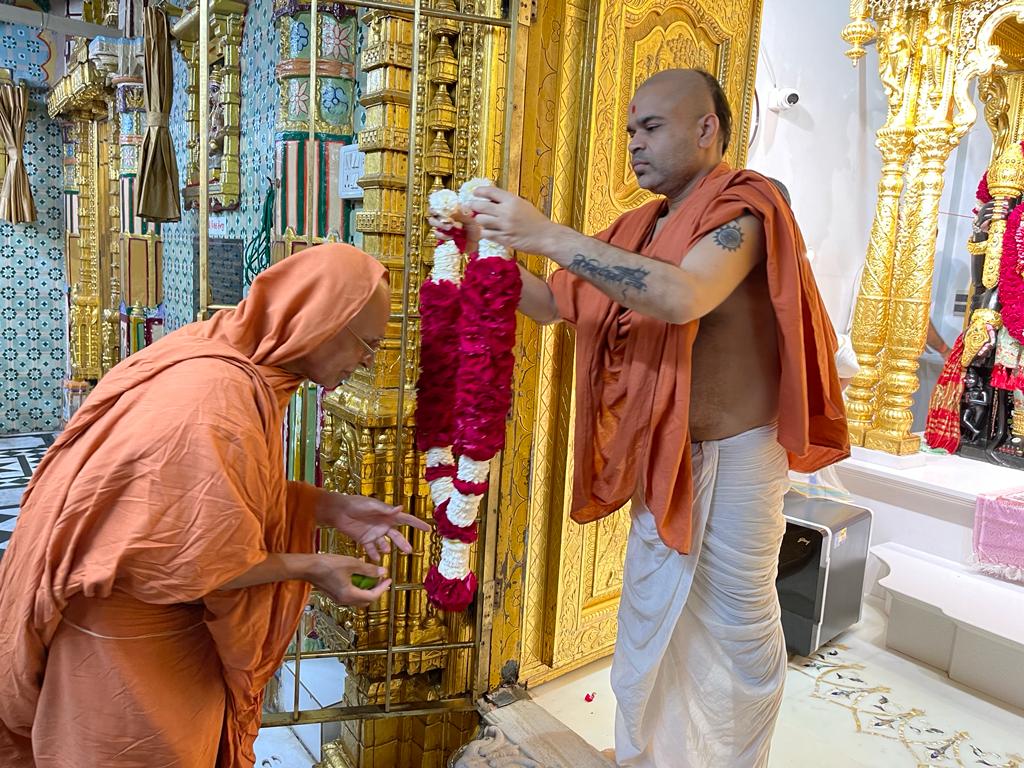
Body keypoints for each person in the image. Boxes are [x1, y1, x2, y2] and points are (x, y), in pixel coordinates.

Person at [434, 69, 848, 766]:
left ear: (706, 129)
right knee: (649, 633)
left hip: (740, 458)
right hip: (665, 461)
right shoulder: (637, 229)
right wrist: (488, 249)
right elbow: (552, 303)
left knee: (739, 636)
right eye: (629, 129)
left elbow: (681, 296)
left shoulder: (747, 210)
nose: (634, 143)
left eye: (650, 127)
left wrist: (549, 233)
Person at [0, 244, 429, 767]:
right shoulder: (217, 396)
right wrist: (313, 566)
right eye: (369, 343)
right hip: (134, 667)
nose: (367, 360)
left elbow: (177, 510)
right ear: (321, 321)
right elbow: (201, 564)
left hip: (138, 643)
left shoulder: (219, 353)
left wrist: (326, 506)